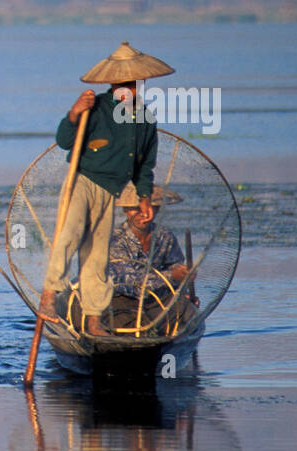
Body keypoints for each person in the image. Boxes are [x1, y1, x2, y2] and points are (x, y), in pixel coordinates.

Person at [41, 41, 173, 337]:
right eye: (123, 84)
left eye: (134, 85)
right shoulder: (96, 108)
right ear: (113, 85)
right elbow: (64, 140)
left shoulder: (144, 118)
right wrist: (75, 113)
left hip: (110, 191)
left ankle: (94, 320)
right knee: (70, 235)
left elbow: (144, 165)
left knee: (97, 256)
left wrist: (143, 197)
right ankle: (49, 296)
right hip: (83, 182)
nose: (129, 90)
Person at [106, 183, 190, 330]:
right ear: (125, 211)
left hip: (156, 301)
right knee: (134, 328)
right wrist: (172, 275)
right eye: (135, 209)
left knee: (187, 312)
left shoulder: (165, 236)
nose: (142, 215)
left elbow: (177, 268)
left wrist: (184, 286)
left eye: (149, 209)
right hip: (122, 302)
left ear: (156, 209)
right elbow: (132, 285)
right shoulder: (115, 241)